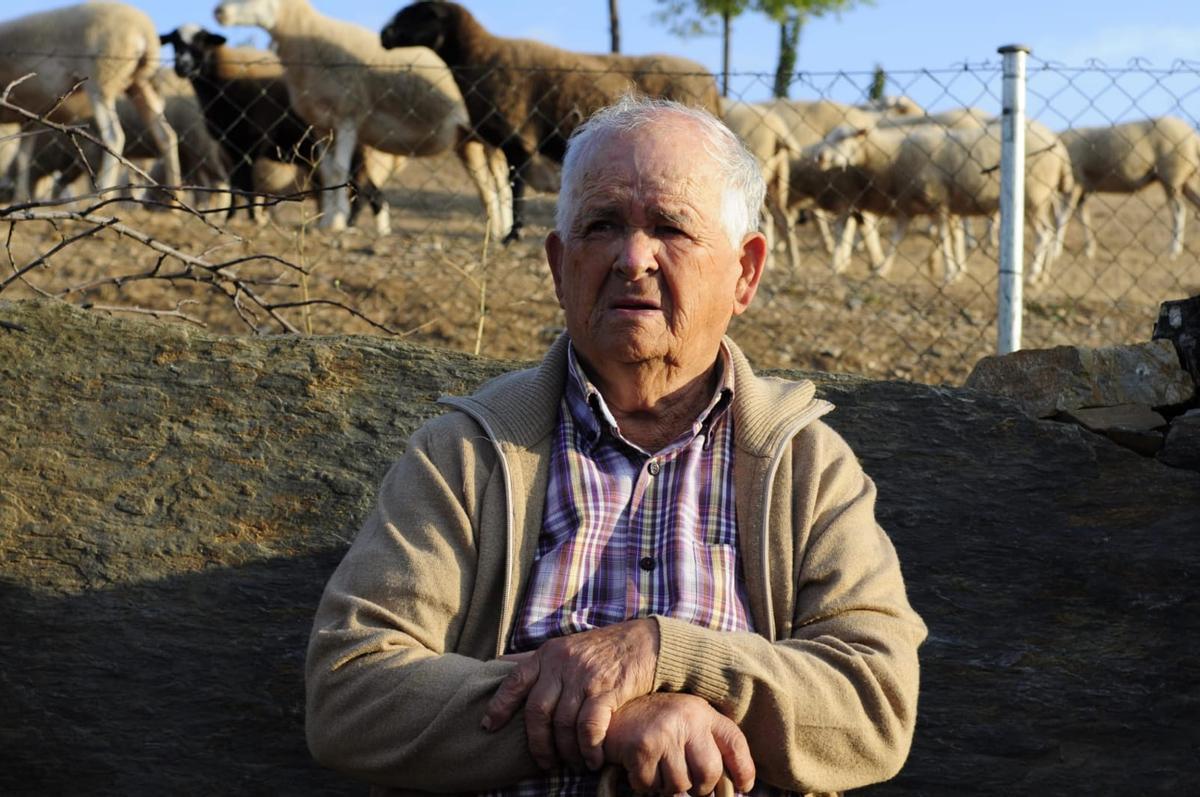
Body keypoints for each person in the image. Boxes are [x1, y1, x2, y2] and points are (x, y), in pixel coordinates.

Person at [305, 96, 927, 797]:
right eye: (602, 225)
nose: (633, 259)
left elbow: (873, 704)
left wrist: (665, 653)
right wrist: (617, 720)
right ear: (558, 265)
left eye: (670, 227)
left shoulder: (804, 464)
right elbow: (350, 692)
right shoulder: (468, 454)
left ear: (744, 273)